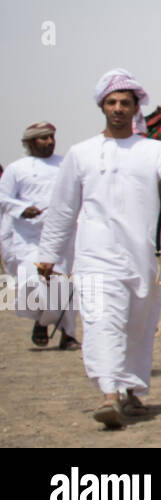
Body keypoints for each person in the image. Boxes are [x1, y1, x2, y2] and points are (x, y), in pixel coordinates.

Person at [37, 69, 161, 429]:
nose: (118, 108)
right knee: (102, 322)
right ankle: (110, 395)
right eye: (112, 102)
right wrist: (48, 253)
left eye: (125, 102)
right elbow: (62, 208)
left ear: (136, 107)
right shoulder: (81, 153)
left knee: (137, 327)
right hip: (95, 257)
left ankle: (132, 388)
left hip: (143, 258)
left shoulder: (156, 151)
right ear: (102, 106)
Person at [0, 122, 77, 348]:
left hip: (61, 234)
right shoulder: (17, 168)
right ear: (31, 142)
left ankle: (68, 334)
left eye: (52, 137)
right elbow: (2, 197)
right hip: (28, 237)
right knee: (33, 282)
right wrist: (22, 208)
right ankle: (42, 319)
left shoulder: (66, 164)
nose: (50, 142)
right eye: (44, 138)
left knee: (64, 283)